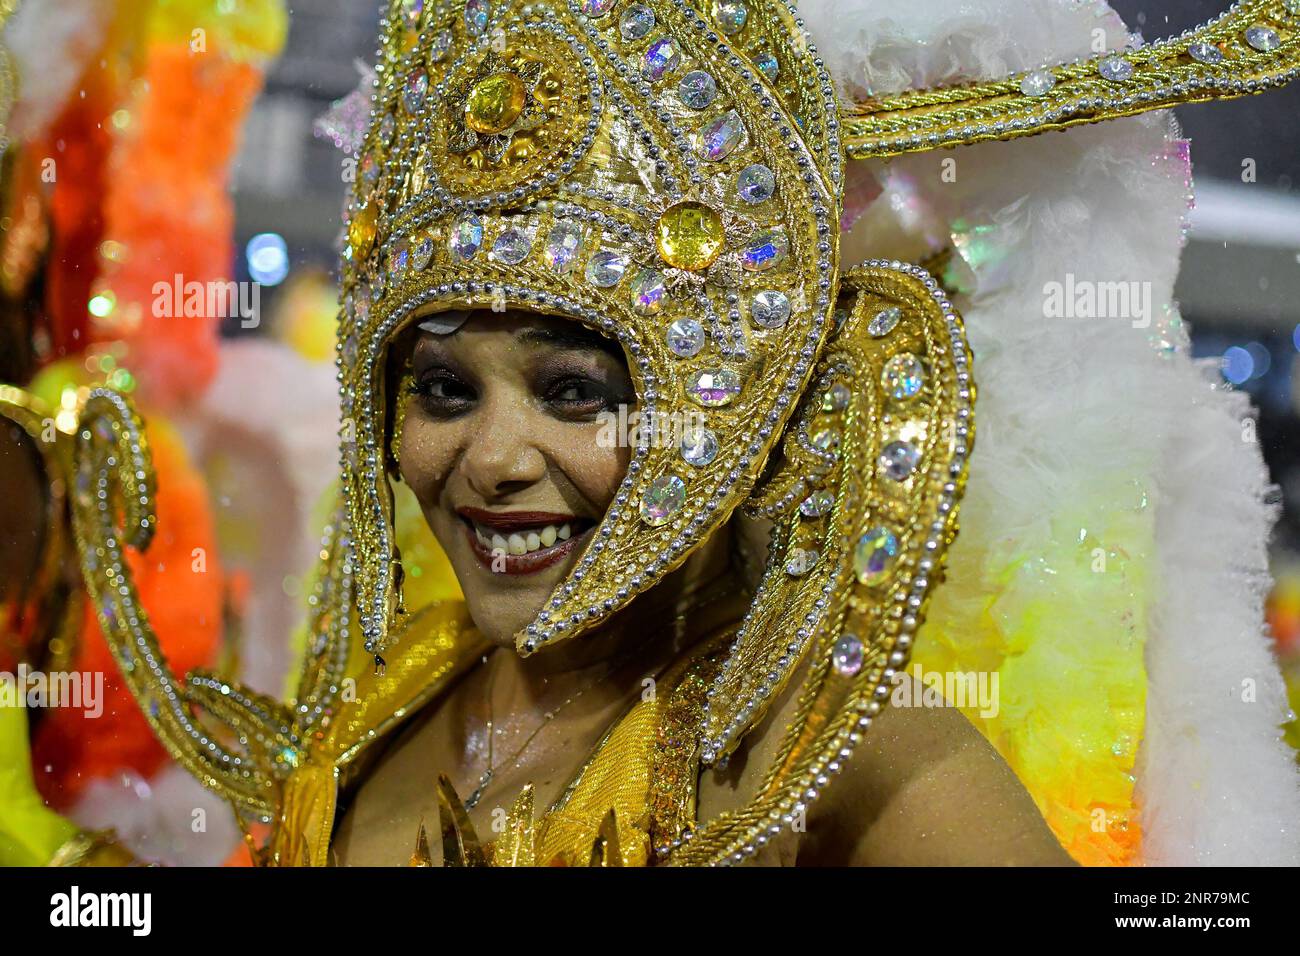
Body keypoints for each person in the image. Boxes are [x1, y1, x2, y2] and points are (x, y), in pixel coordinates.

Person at [8, 0, 1300, 866]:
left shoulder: (855, 758)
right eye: (446, 390)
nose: (493, 458)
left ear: (726, 404)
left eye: (575, 392)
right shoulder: (382, 705)